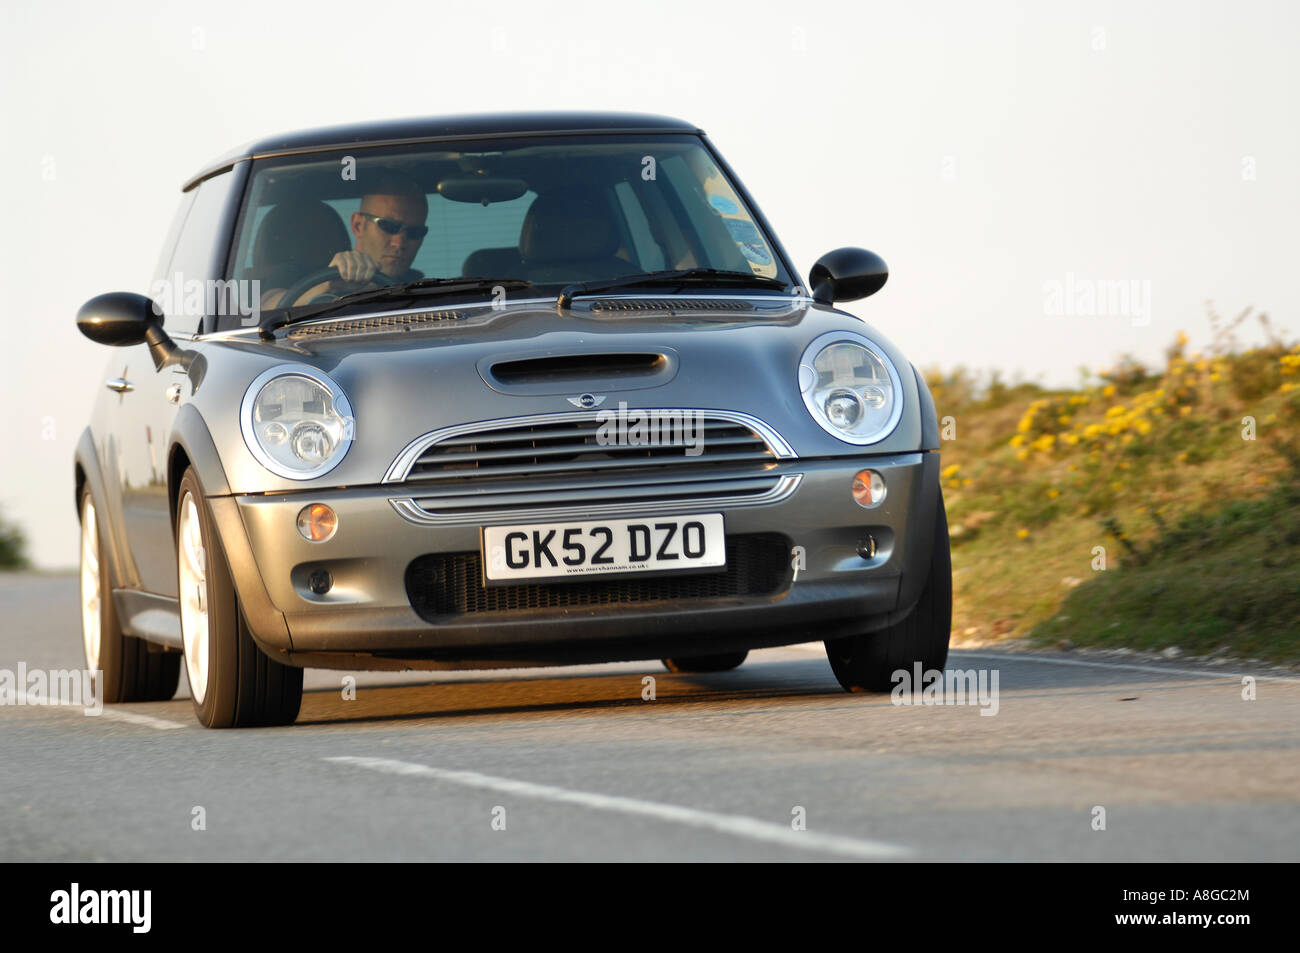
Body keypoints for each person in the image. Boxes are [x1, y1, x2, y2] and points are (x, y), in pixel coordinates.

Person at [266, 173, 429, 308]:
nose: (399, 243)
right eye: (388, 226)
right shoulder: (293, 275)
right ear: (358, 225)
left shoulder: (423, 288)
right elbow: (265, 306)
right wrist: (328, 285)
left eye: (415, 232)